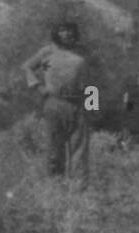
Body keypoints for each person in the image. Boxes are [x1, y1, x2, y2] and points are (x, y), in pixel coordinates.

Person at [23, 20, 92, 187]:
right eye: (62, 30)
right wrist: (38, 87)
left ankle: (78, 189)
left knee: (79, 150)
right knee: (55, 149)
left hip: (78, 104)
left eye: (69, 30)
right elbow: (27, 67)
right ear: (56, 32)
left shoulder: (83, 53)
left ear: (74, 33)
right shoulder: (47, 52)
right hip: (54, 103)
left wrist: (92, 107)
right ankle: (55, 186)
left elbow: (91, 81)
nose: (66, 34)